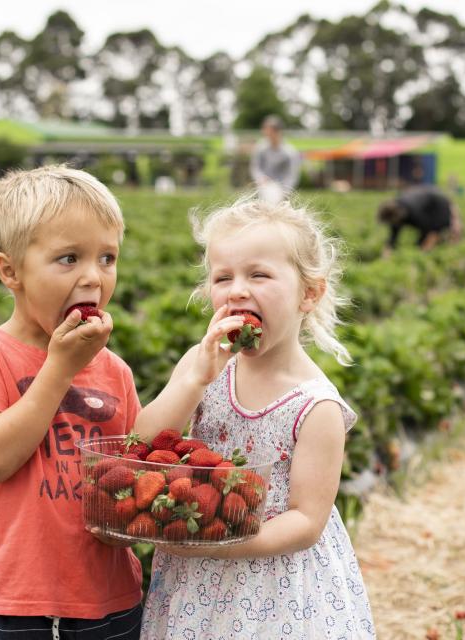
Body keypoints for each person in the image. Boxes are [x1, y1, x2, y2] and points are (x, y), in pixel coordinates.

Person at [133, 196, 376, 638]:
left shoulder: (316, 404)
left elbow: (306, 521)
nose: (237, 290)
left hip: (272, 587)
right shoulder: (202, 364)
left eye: (259, 275)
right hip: (197, 580)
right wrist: (194, 381)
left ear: (309, 293)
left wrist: (216, 542)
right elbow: (142, 444)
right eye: (222, 277)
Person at [0, 165, 143, 638]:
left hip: (114, 602)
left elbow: (133, 471)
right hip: (17, 607)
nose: (94, 277)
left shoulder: (115, 370)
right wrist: (61, 367)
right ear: (10, 271)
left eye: (108, 258)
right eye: (69, 258)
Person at [377, 185, 463, 255]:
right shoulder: (396, 209)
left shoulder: (415, 212)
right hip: (428, 199)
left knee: (430, 240)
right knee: (422, 244)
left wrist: (423, 249)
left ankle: (452, 249)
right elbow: (393, 234)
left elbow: (429, 229)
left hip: (439, 204)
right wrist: (389, 248)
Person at [250, 115, 300, 204]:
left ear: (278, 132)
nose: (266, 134)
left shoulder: (290, 152)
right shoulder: (261, 148)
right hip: (264, 187)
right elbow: (255, 167)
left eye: (270, 132)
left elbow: (292, 174)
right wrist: (260, 179)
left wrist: (285, 191)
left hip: (282, 188)